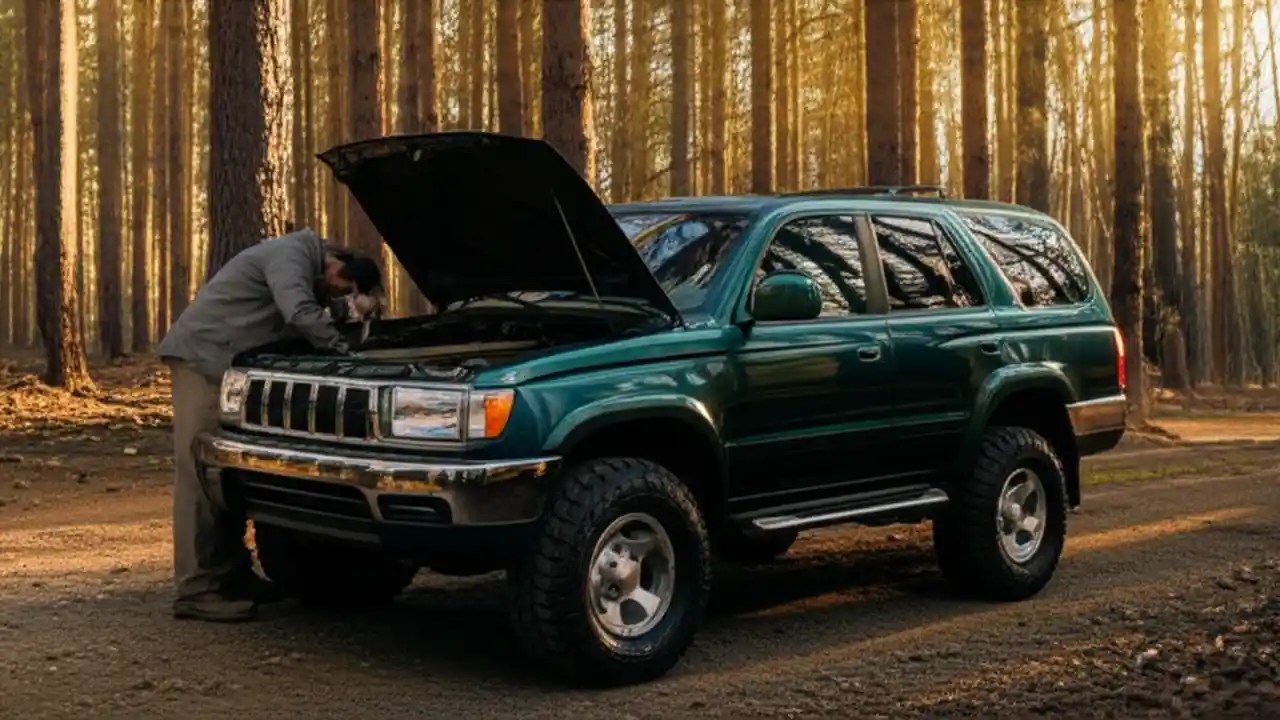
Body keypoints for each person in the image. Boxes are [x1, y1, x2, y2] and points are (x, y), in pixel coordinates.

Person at [157, 227, 383, 622]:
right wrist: (346, 353)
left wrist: (351, 313)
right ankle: (197, 589)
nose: (336, 297)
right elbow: (297, 313)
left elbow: (299, 313)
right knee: (199, 474)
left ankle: (232, 575)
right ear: (336, 264)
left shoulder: (305, 266)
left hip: (228, 368)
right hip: (203, 361)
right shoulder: (292, 255)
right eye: (340, 289)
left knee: (226, 476)